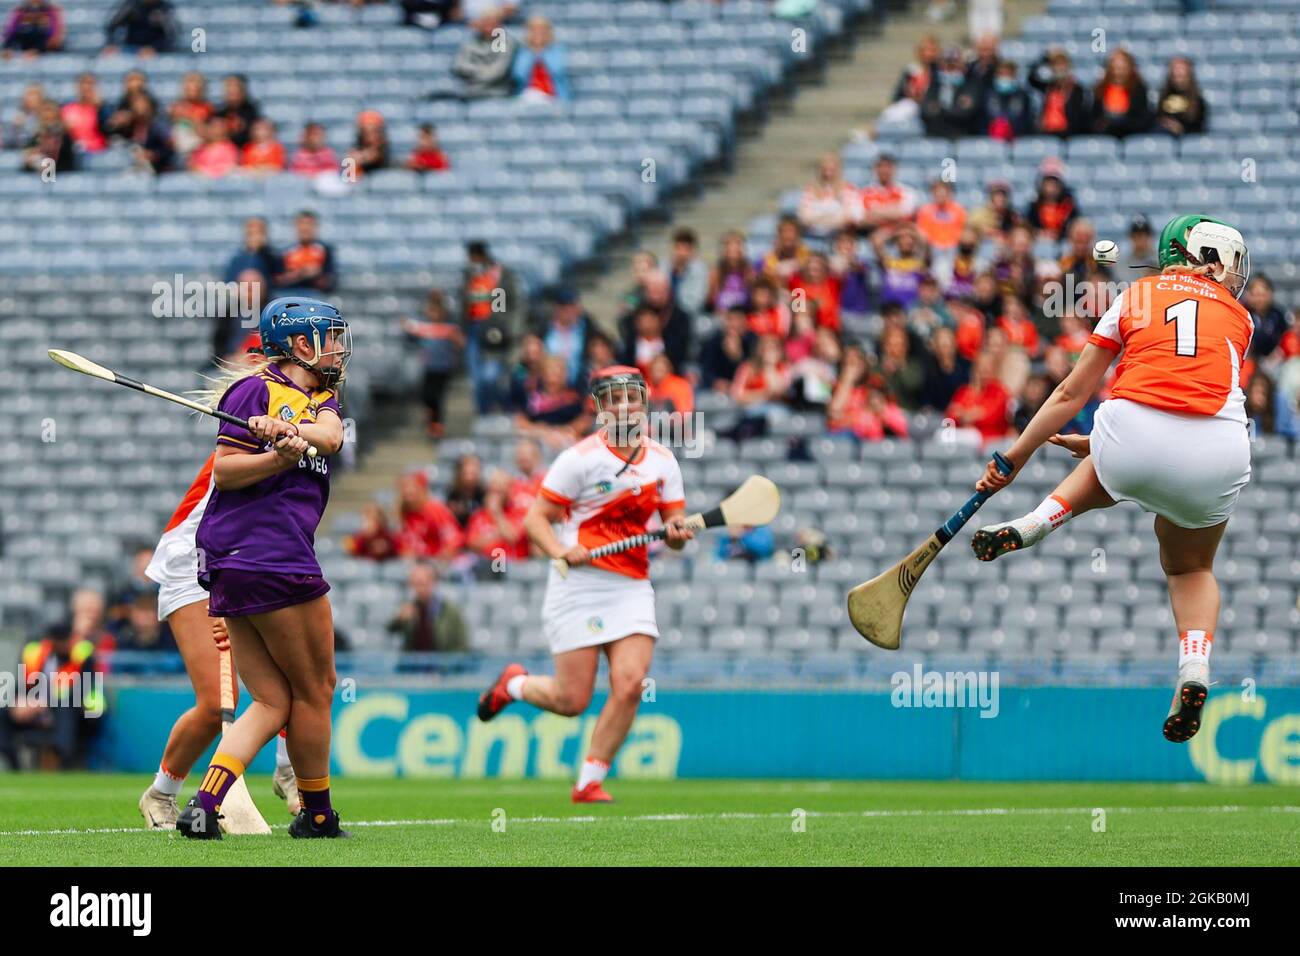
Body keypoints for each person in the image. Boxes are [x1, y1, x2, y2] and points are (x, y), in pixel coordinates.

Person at [971, 215, 1252, 744]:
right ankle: (1193, 667)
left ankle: (1036, 521)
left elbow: (1069, 396)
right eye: (1224, 259)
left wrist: (1012, 460)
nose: (1231, 273)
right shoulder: (1242, 316)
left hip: (1130, 434)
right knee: (1190, 566)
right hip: (1218, 449)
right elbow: (1193, 392)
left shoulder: (1134, 295)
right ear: (1200, 257)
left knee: (1111, 454)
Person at [476, 367, 694, 802]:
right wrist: (559, 552)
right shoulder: (578, 459)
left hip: (631, 586)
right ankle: (514, 685)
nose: (624, 406)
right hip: (579, 584)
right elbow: (535, 519)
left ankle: (589, 780)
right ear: (599, 408)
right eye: (613, 399)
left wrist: (676, 534)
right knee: (571, 700)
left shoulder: (663, 462)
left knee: (631, 682)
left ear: (643, 402)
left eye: (631, 397)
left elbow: (674, 530)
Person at [176, 296, 350, 840]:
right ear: (302, 343)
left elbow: (331, 437)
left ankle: (204, 805)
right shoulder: (255, 388)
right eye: (333, 337)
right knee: (319, 688)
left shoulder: (321, 399)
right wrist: (276, 452)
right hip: (271, 555)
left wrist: (285, 428)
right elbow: (225, 475)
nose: (341, 348)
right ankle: (317, 814)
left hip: (232, 563)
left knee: (274, 699)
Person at [137, 379, 302, 827]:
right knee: (214, 704)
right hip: (193, 562)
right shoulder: (242, 444)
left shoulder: (306, 439)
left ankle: (289, 771)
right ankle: (161, 794)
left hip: (245, 563)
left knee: (296, 675)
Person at [462, 240, 522, 412]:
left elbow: (508, 303)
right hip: (473, 328)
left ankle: (499, 409)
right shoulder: (469, 275)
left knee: (490, 376)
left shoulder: (500, 274)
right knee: (476, 380)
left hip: (494, 330)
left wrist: (510, 328)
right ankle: (483, 414)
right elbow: (464, 303)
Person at [402, 288, 463, 438]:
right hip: (429, 367)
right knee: (427, 396)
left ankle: (437, 426)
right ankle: (431, 421)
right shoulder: (425, 328)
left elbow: (460, 344)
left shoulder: (450, 328)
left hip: (443, 368)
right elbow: (411, 337)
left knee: (437, 397)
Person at [386, 562, 468, 651]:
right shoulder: (408, 608)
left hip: (441, 662)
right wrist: (399, 619)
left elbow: (461, 642)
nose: (420, 589)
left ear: (433, 582)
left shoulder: (449, 610)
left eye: (422, 583)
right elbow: (390, 630)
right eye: (415, 584)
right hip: (412, 662)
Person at [451, 5, 518, 99]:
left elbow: (497, 72)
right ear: (479, 24)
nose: (488, 27)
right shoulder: (469, 42)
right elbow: (459, 66)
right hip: (470, 93)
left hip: (498, 94)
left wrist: (473, 75)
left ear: (499, 24)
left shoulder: (506, 42)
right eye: (485, 23)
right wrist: (485, 70)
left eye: (492, 23)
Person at [1028, 48, 1090, 138]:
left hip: (1067, 134)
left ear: (1068, 67)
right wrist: (1045, 58)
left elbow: (1079, 116)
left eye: (1062, 65)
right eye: (1056, 65)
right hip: (1047, 132)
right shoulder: (1048, 86)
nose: (1060, 68)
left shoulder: (1077, 89)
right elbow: (1031, 78)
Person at [1091, 49, 1152, 138]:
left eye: (1122, 65)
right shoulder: (1101, 89)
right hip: (1107, 134)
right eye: (1115, 65)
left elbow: (1142, 118)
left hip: (1131, 134)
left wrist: (1122, 124)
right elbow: (1095, 117)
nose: (1118, 69)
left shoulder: (1138, 89)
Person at [276, 210, 336, 295]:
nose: (305, 228)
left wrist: (317, 275)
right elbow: (277, 282)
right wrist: (301, 274)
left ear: (315, 227)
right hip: (289, 295)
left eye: (309, 224)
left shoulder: (324, 250)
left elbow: (330, 283)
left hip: (316, 297)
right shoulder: (285, 252)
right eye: (302, 223)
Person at [511, 14, 569, 102]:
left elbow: (558, 70)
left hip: (553, 97)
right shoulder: (523, 51)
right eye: (534, 30)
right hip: (527, 96)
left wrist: (542, 53)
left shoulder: (556, 50)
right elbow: (519, 74)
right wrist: (533, 53)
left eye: (542, 30)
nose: (538, 33)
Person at [1155, 56, 1206, 137]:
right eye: (1175, 71)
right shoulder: (1164, 96)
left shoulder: (1197, 100)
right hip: (1164, 136)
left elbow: (1199, 126)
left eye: (1181, 72)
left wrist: (1181, 129)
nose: (1178, 74)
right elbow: (1158, 117)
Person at [104, 0, 176, 55]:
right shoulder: (131, 5)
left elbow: (172, 36)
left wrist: (154, 49)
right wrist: (112, 44)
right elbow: (111, 26)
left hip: (156, 53)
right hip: (130, 49)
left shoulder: (165, 8)